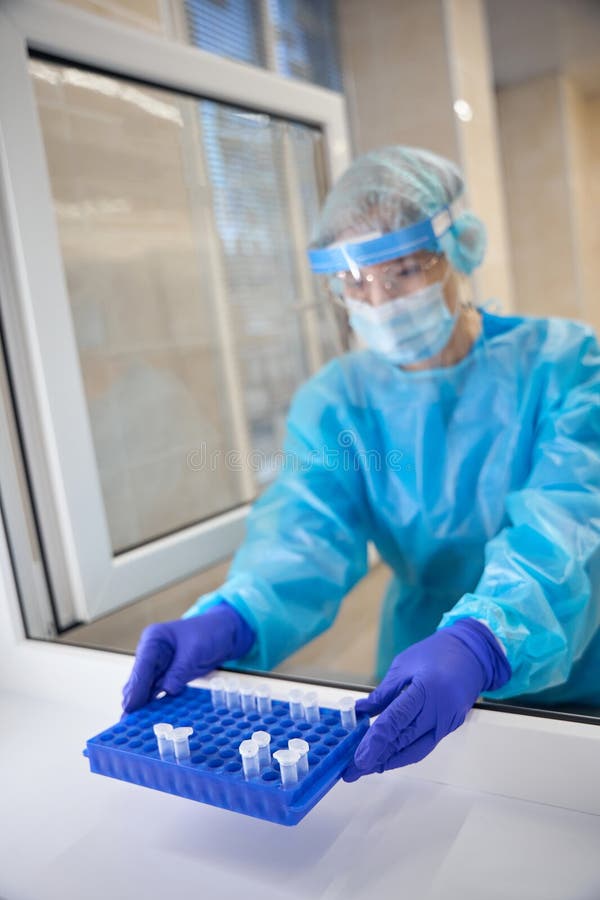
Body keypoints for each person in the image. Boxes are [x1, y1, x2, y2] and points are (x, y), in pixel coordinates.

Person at [122, 146, 600, 781]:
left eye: (401, 270)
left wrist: (483, 641)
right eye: (355, 282)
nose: (378, 301)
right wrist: (233, 614)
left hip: (568, 671)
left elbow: (564, 527)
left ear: (460, 249)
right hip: (416, 674)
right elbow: (306, 532)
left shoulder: (565, 366)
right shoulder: (338, 402)